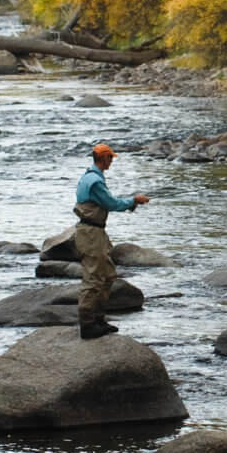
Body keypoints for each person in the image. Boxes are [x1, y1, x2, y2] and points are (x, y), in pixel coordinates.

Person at [73, 143, 149, 339]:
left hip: (95, 232)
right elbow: (111, 203)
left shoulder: (89, 177)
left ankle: (99, 320)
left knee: (107, 275)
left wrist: (131, 203)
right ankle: (88, 325)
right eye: (110, 158)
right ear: (103, 158)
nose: (111, 162)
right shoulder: (95, 181)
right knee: (93, 279)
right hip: (91, 234)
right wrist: (133, 201)